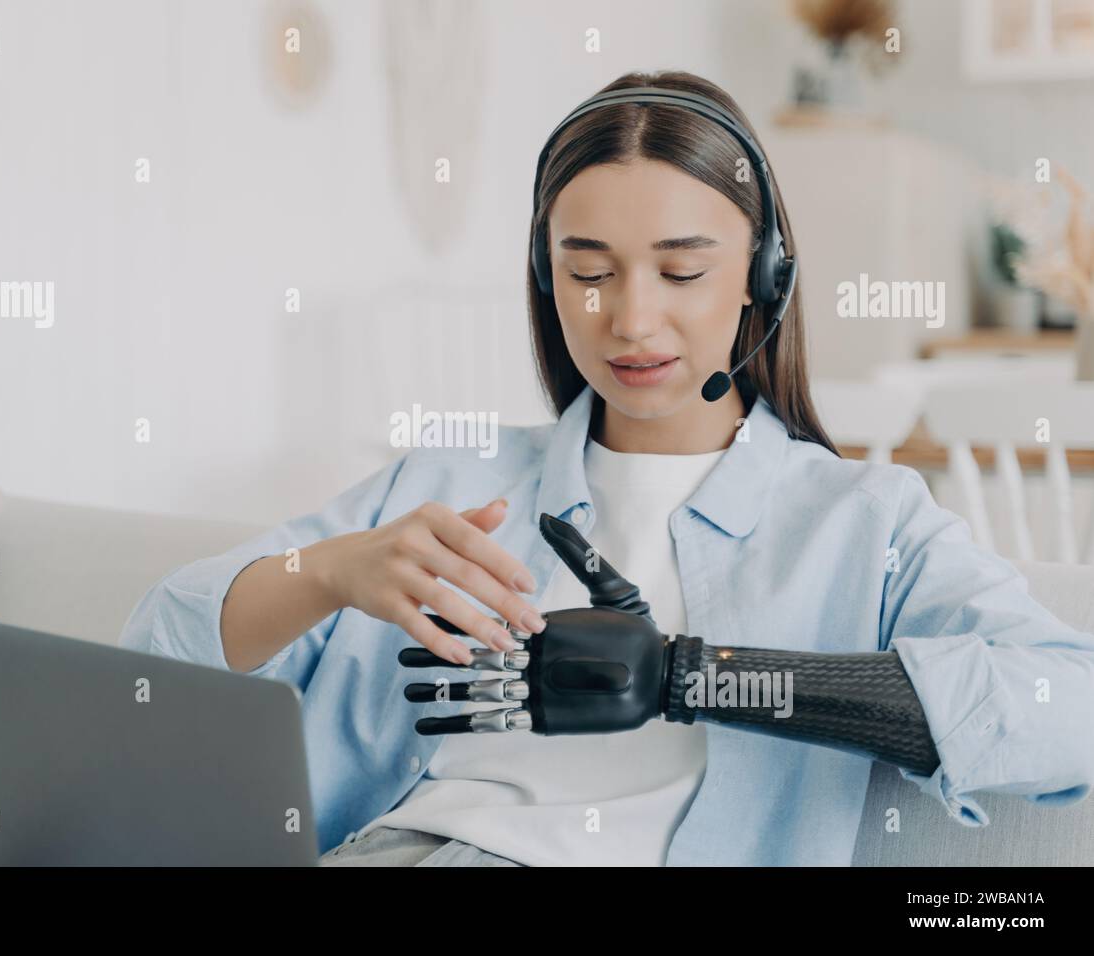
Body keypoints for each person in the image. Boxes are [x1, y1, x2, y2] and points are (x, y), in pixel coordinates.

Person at [119, 70, 1094, 866]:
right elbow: (158, 652)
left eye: (681, 271)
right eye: (588, 272)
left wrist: (692, 676)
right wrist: (332, 571)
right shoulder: (448, 481)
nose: (630, 319)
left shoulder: (862, 520)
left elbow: (1069, 708)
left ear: (763, 277)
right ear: (546, 277)